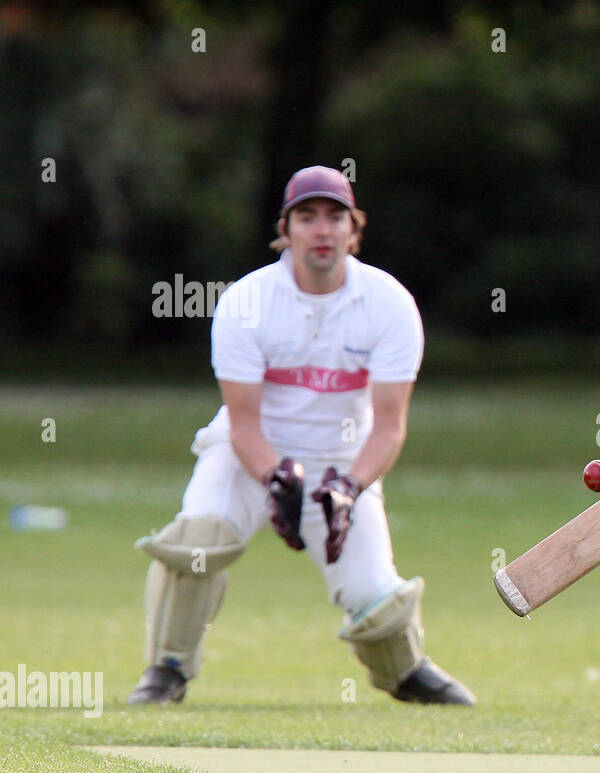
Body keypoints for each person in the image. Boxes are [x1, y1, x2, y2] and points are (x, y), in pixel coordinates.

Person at [128, 166, 475, 707]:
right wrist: (274, 474)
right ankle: (167, 669)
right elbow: (242, 420)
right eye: (307, 217)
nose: (322, 230)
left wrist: (351, 487)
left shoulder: (388, 303)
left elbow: (389, 426)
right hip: (248, 456)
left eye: (335, 216)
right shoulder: (247, 301)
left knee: (375, 602)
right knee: (198, 542)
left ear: (353, 229)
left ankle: (406, 671)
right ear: (285, 230)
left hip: (341, 464)